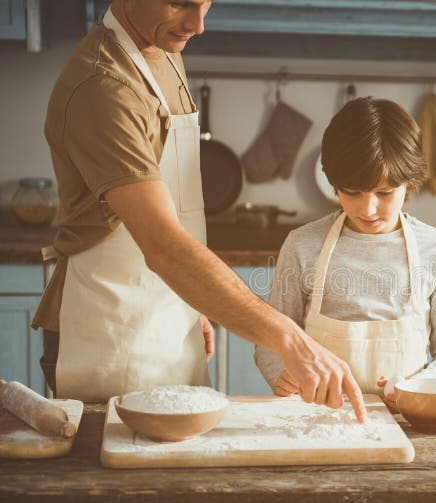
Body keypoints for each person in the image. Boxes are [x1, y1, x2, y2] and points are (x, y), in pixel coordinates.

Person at [32, 0, 365, 421]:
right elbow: (163, 246)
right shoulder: (104, 85)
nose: (198, 25)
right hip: (110, 331)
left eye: (206, 4)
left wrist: (189, 304)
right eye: (181, 4)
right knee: (121, 478)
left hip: (163, 312)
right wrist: (292, 340)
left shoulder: (163, 52)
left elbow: (169, 211)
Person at [255, 97, 436, 405]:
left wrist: (415, 388)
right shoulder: (302, 245)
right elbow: (271, 341)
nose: (368, 209)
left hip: (406, 418)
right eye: (352, 192)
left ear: (409, 183)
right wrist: (281, 373)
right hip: (318, 418)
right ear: (334, 184)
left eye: (384, 193)